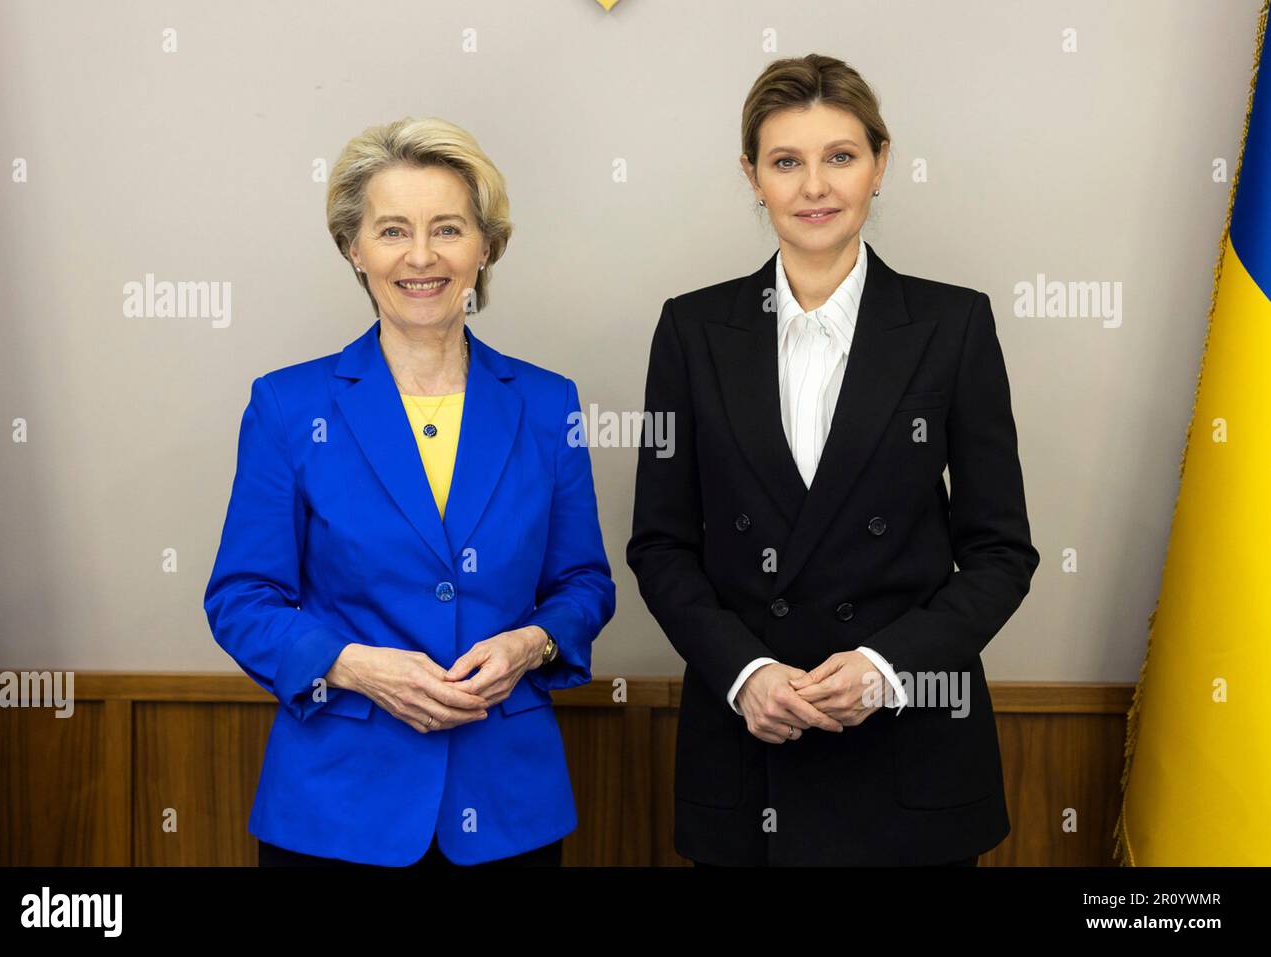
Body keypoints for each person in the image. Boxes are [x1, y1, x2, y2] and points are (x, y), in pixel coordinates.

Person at [626, 54, 1039, 866]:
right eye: (787, 162)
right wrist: (745, 672)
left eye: (840, 157)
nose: (814, 186)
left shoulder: (954, 326)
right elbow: (660, 545)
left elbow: (1001, 552)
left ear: (879, 164)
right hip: (749, 752)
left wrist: (886, 668)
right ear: (753, 175)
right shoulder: (691, 329)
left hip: (911, 756)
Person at [204, 116, 615, 867]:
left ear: (484, 246)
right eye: (392, 231)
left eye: (448, 229)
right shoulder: (288, 406)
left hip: (508, 809)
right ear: (353, 249)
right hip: (336, 810)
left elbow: (583, 584)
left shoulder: (549, 404)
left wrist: (533, 643)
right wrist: (355, 666)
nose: (421, 256)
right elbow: (241, 599)